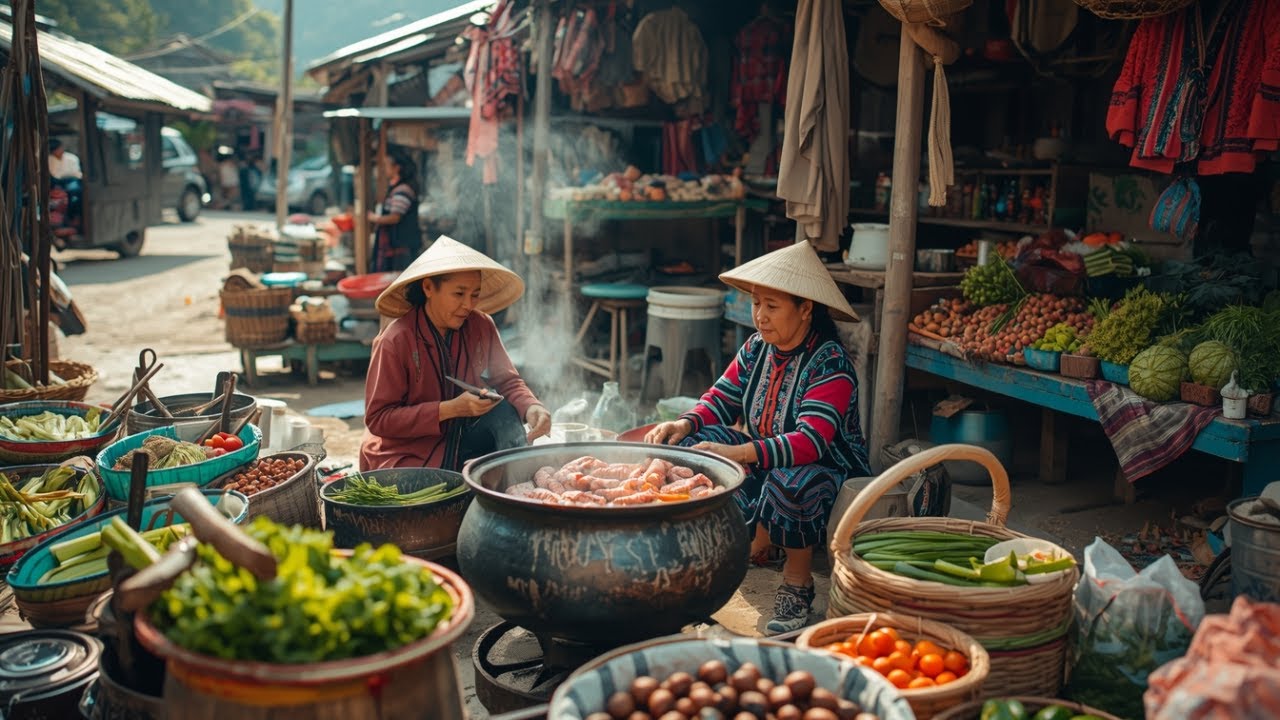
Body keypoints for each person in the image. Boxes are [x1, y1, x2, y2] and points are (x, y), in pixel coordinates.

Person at [645, 241, 871, 634]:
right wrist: (683, 424)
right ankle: (738, 544)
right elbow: (720, 398)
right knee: (688, 450)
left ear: (805, 310)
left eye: (772, 306)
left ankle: (796, 584)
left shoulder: (831, 362)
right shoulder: (756, 348)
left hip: (827, 478)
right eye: (756, 304)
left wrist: (739, 452)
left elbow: (810, 443)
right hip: (765, 460)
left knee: (793, 479)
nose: (760, 317)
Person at [360, 235, 553, 471]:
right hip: (408, 454)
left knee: (503, 412)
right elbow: (379, 419)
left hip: (463, 438)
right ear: (429, 288)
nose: (468, 305)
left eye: (475, 294)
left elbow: (507, 381)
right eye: (459, 294)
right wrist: (449, 409)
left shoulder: (482, 325)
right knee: (426, 496)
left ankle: (516, 483)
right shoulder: (396, 339)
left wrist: (532, 407)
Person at [368, 148, 422, 272]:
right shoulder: (397, 188)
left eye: (386, 165)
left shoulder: (402, 190)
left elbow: (395, 217)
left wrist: (374, 218)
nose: (384, 168)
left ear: (397, 168)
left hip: (400, 248)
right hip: (396, 247)